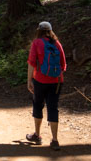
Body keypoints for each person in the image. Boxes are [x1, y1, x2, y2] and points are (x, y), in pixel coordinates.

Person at [26, 21, 66, 150]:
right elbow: (63, 65)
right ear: (50, 30)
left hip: (40, 80)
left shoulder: (36, 43)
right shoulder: (57, 43)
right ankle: (55, 140)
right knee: (53, 108)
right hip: (57, 81)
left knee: (38, 105)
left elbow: (32, 63)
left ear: (39, 30)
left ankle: (37, 135)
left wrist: (29, 80)